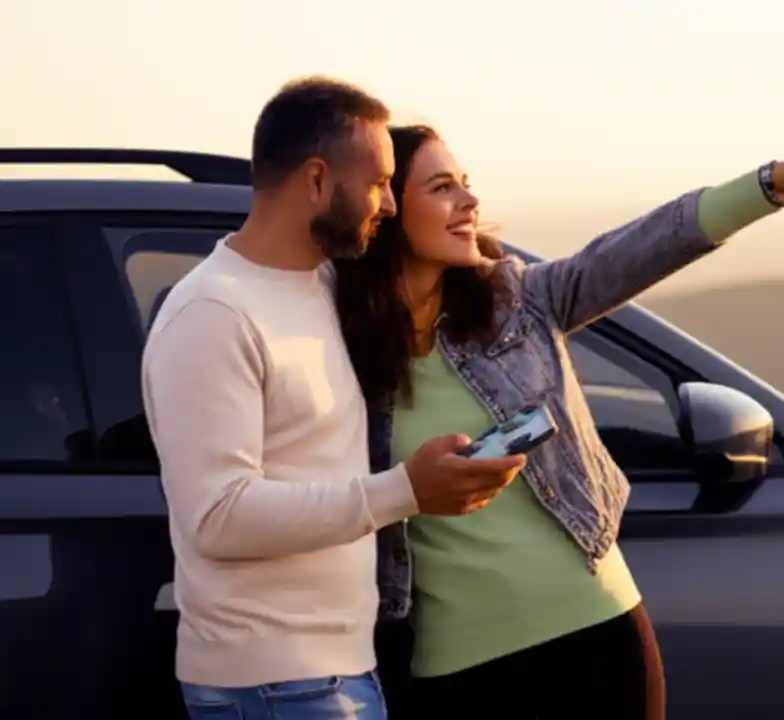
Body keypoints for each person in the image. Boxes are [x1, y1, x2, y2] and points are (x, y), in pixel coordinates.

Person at [334, 123, 784, 718]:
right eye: (443, 187)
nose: (470, 201)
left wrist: (773, 181)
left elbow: (642, 248)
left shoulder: (519, 303)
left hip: (595, 633)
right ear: (386, 208)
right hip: (453, 671)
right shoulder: (336, 355)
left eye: (467, 184)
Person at [141, 77, 526, 720]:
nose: (390, 205)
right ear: (317, 181)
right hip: (274, 687)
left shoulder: (321, 285)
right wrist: (406, 490)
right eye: (378, 182)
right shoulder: (211, 314)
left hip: (332, 674)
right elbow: (218, 516)